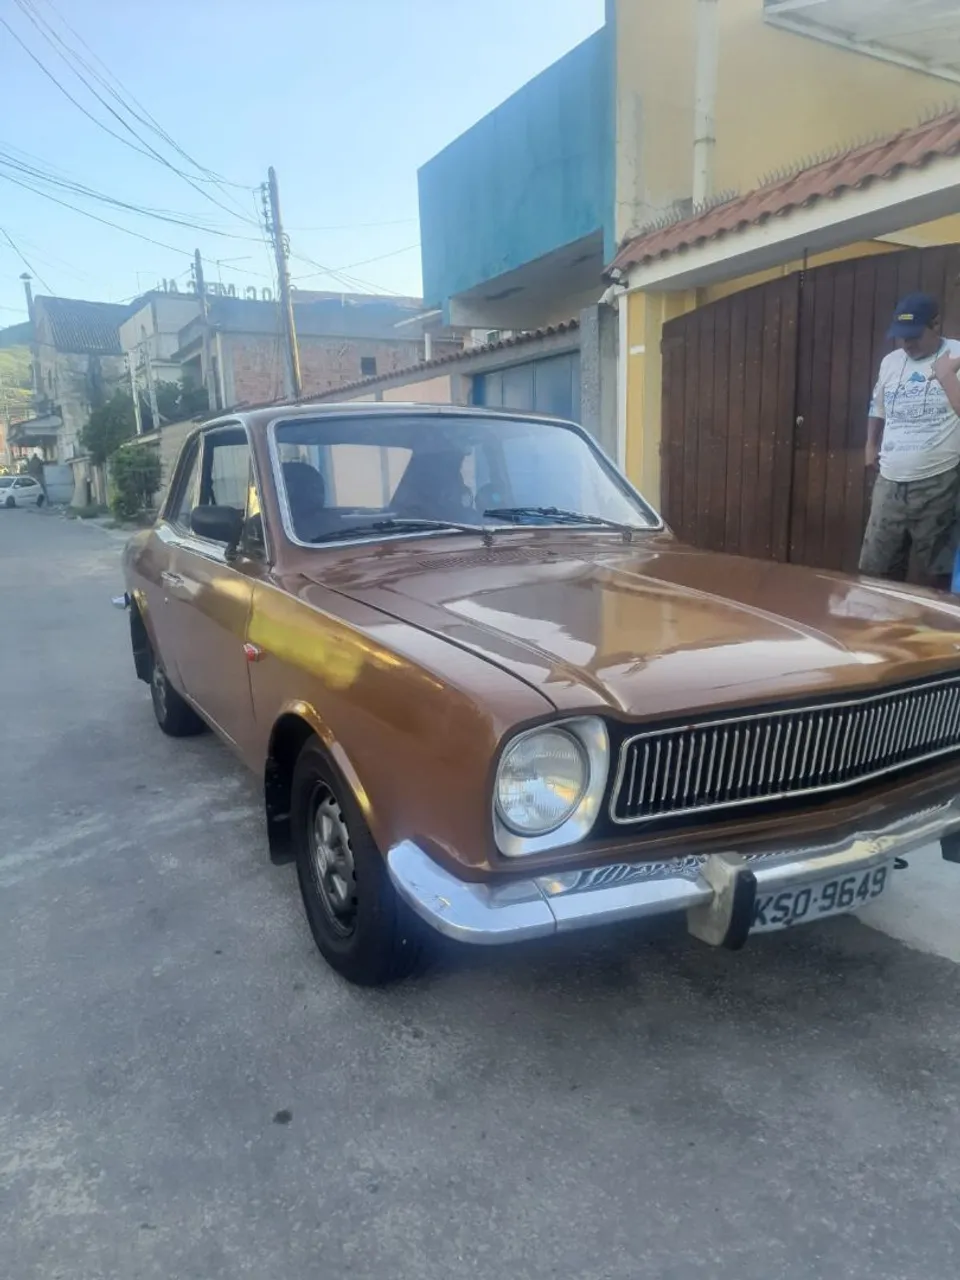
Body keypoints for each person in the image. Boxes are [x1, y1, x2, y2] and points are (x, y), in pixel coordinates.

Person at [860, 292, 960, 584]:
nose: (906, 343)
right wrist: (870, 444)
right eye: (901, 336)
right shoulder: (890, 362)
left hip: (940, 482)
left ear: (936, 325)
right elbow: (878, 405)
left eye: (914, 335)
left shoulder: (956, 355)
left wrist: (947, 375)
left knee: (938, 575)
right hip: (889, 482)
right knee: (876, 571)